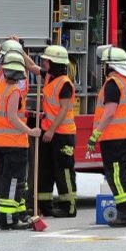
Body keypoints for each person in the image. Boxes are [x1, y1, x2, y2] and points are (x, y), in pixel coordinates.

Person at [0, 51, 40, 230]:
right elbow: (13, 118)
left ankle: (15, 213)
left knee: (7, 180)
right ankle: (9, 219)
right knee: (13, 181)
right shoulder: (14, 91)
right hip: (15, 143)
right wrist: (31, 131)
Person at [88, 46, 126, 228]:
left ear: (110, 66)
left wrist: (95, 135)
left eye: (104, 65)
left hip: (115, 137)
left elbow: (110, 112)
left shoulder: (113, 83)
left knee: (117, 177)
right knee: (121, 174)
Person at [36, 45, 78, 218]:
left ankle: (69, 207)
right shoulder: (50, 77)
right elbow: (32, 67)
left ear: (53, 63)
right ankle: (44, 205)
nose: (44, 63)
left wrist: (51, 130)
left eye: (46, 60)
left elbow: (64, 109)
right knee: (45, 169)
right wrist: (20, 50)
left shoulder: (64, 84)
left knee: (64, 170)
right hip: (49, 131)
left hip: (62, 134)